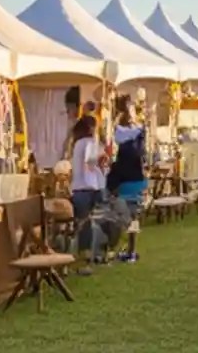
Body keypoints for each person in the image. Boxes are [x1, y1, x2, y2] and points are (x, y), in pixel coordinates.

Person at [106, 97, 147, 262]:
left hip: (126, 183)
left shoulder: (123, 136)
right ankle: (130, 250)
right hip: (135, 181)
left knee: (123, 217)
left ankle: (122, 249)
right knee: (132, 218)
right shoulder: (135, 136)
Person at [69, 116, 106, 274]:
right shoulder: (89, 142)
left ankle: (82, 255)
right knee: (90, 224)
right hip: (89, 188)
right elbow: (90, 167)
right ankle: (89, 256)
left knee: (81, 223)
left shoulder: (77, 143)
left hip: (78, 188)